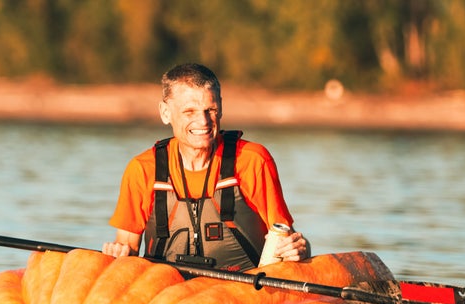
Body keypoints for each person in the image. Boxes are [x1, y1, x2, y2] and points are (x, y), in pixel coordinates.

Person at [102, 63, 309, 271]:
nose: (203, 121)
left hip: (243, 295)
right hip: (167, 294)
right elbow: (127, 249)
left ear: (221, 107)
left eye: (210, 110)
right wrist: (118, 254)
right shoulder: (142, 169)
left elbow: (285, 240)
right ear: (166, 113)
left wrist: (300, 249)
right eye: (189, 112)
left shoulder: (253, 160)